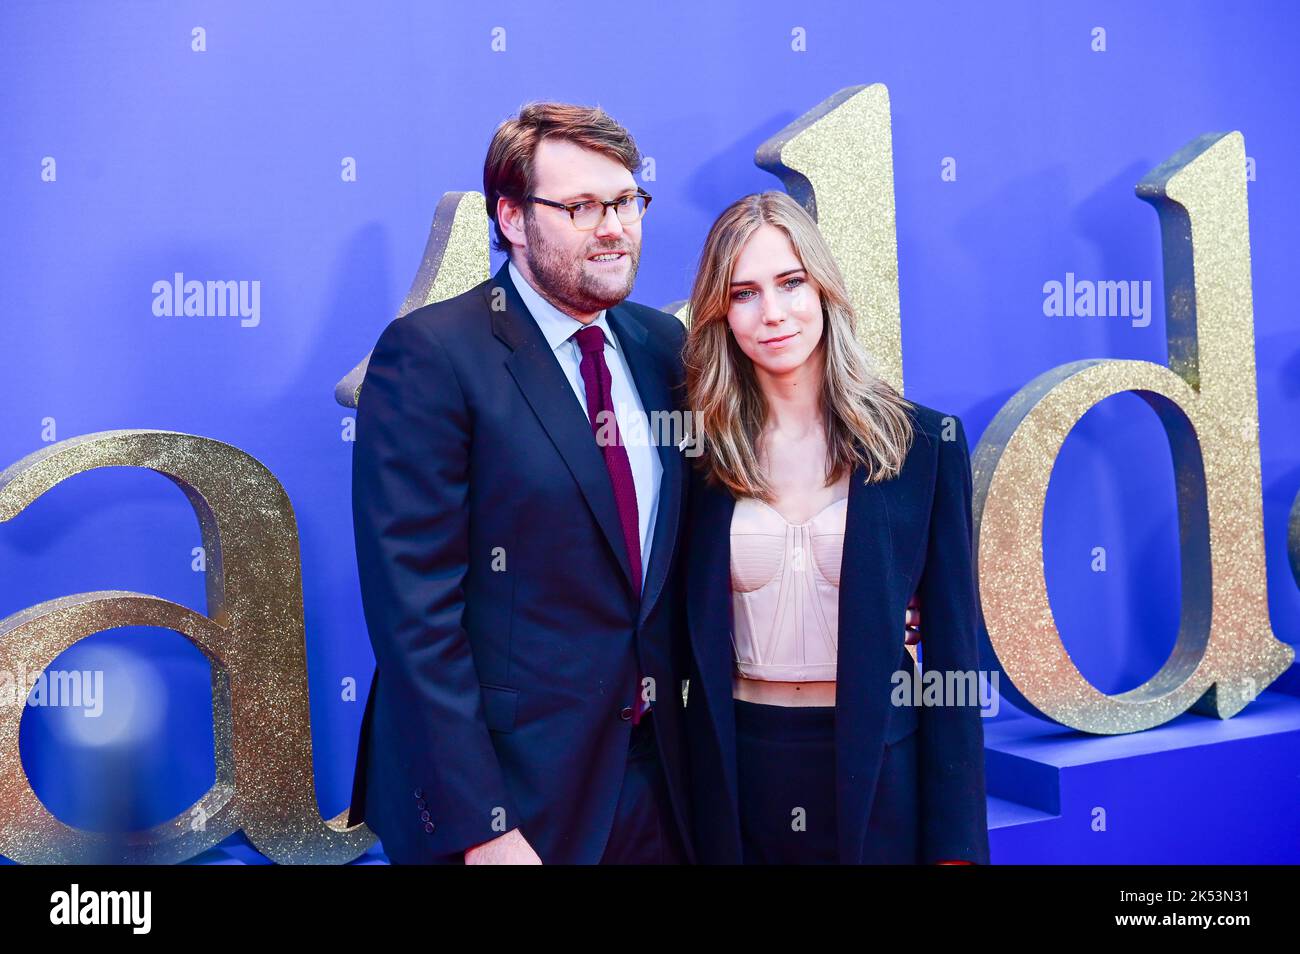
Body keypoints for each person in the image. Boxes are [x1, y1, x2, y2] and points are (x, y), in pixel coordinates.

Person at [345, 102, 694, 864]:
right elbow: (416, 619)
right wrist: (481, 825)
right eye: (580, 207)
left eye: (628, 201)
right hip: (513, 800)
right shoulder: (432, 355)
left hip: (659, 786)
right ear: (510, 216)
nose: (614, 227)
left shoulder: (661, 346)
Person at [680, 191, 990, 864]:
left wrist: (958, 845)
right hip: (739, 770)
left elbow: (954, 653)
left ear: (823, 289)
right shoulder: (695, 454)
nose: (773, 313)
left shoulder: (924, 444)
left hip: (879, 768)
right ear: (719, 313)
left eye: (791, 282)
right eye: (743, 293)